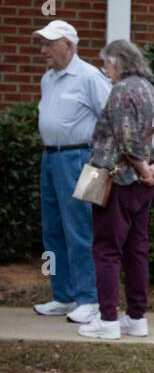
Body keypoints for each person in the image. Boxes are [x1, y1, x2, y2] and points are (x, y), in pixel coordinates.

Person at [77, 40, 154, 340]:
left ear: (117, 62)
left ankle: (107, 321)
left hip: (115, 179)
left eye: (106, 64)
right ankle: (136, 317)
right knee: (136, 250)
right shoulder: (151, 91)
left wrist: (144, 171)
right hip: (142, 187)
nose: (106, 70)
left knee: (106, 250)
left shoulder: (121, 91)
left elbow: (125, 138)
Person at [32, 20, 110, 324]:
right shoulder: (48, 79)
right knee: (53, 229)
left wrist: (100, 162)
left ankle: (88, 298)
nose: (43, 50)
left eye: (49, 44)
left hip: (81, 159)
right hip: (50, 159)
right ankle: (62, 295)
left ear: (68, 44)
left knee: (82, 229)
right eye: (42, 44)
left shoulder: (90, 76)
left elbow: (110, 118)